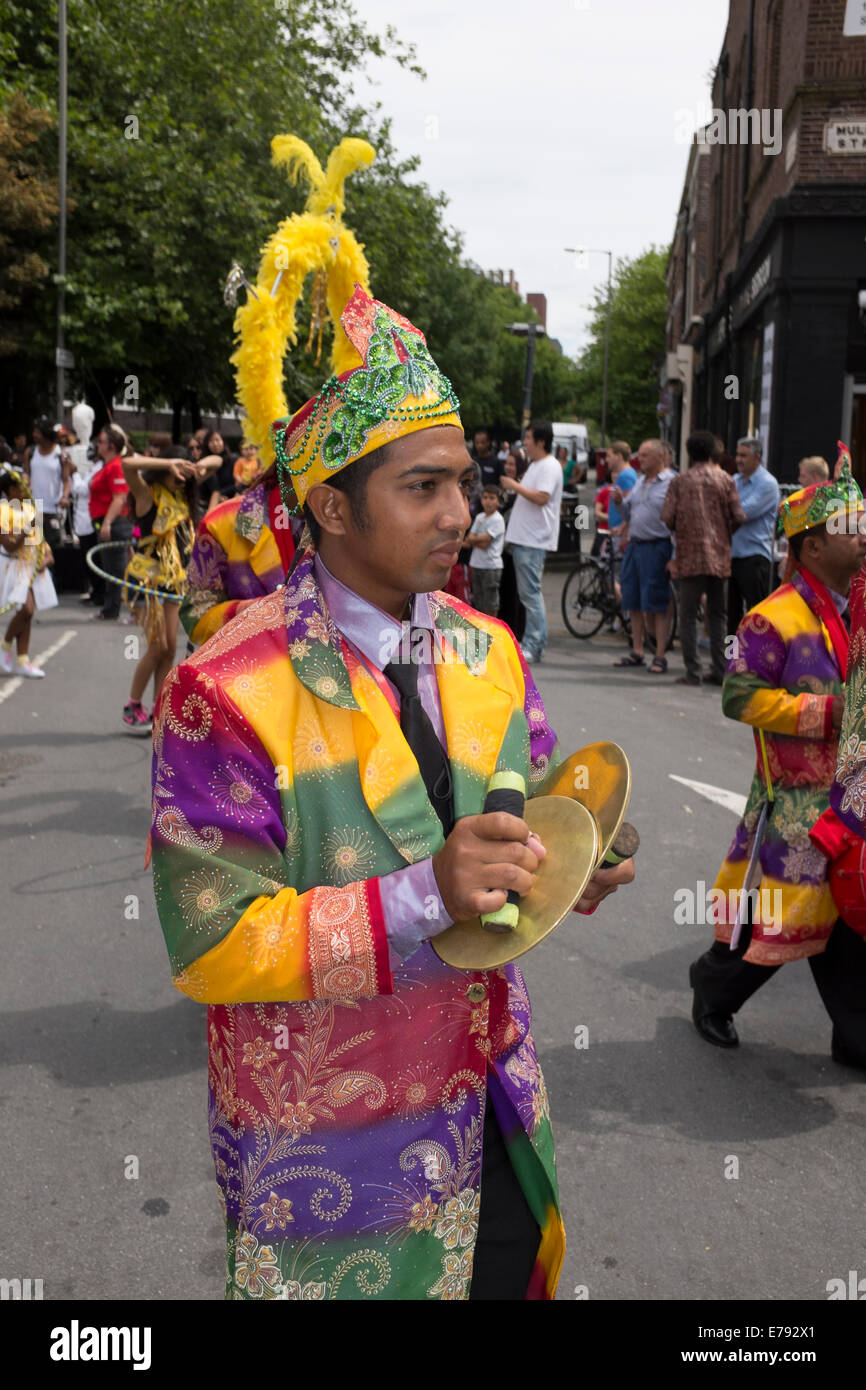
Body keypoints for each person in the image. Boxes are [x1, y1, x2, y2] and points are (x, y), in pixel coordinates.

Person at [149, 286, 634, 1302]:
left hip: (493, 1103)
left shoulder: (486, 646)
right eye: (424, 487)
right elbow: (211, 942)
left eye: (466, 482)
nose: (463, 514)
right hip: (332, 1152)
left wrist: (573, 859)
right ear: (331, 504)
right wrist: (425, 892)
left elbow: (526, 808)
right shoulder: (223, 690)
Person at [689, 462, 866, 1057]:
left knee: (851, 917)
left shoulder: (854, 610)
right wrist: (826, 713)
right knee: (780, 918)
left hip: (854, 795)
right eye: (851, 526)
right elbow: (738, 696)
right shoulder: (772, 617)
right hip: (798, 802)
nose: (863, 534)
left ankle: (857, 1035)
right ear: (813, 545)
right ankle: (713, 991)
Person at [119, 447, 220, 731]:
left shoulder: (181, 497)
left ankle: (157, 709)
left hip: (173, 580)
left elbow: (218, 461)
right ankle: (132, 704)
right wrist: (170, 462)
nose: (182, 480)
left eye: (185, 477)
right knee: (157, 646)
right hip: (146, 579)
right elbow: (128, 464)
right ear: (164, 472)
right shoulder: (146, 494)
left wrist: (193, 467)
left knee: (170, 648)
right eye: (176, 475)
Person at [180, 463, 301, 646]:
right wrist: (259, 612)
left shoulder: (350, 521)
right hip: (249, 666)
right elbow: (197, 617)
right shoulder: (222, 522)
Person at [660, 430, 746, 686]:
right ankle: (720, 670)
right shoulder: (726, 480)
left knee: (688, 616)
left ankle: (693, 671)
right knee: (719, 615)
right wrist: (724, 532)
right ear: (712, 452)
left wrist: (683, 528)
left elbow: (666, 517)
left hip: (689, 558)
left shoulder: (679, 481)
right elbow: (739, 516)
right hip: (719, 557)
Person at [501, 420, 563, 663]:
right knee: (528, 594)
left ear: (541, 441)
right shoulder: (539, 464)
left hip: (533, 540)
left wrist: (514, 485)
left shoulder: (549, 466)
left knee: (531, 594)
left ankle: (535, 645)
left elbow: (542, 497)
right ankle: (532, 641)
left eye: (528, 438)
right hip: (525, 539)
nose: (525, 443)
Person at [611, 439, 675, 674]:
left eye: (646, 455)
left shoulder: (671, 482)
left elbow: (678, 521)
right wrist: (619, 502)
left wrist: (674, 554)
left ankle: (660, 655)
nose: (641, 459)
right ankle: (637, 650)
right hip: (635, 545)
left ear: (660, 457)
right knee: (632, 598)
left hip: (657, 546)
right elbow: (628, 511)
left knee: (657, 602)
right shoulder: (640, 482)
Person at [0, 465, 57, 678]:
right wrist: (26, 528)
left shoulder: (33, 509)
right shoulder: (4, 510)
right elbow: (8, 545)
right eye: (24, 483)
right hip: (13, 565)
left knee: (27, 614)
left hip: (32, 565)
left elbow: (39, 540)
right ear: (12, 489)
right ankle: (5, 645)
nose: (29, 487)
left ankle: (23, 659)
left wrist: (48, 556)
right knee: (27, 610)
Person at [728, 436, 780, 635]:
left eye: (743, 455)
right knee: (731, 615)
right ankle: (730, 658)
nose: (738, 459)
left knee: (756, 614)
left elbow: (744, 513)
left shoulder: (767, 483)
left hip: (754, 557)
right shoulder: (734, 481)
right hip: (733, 555)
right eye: (737, 455)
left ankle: (757, 660)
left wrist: (728, 510)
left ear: (757, 457)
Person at [88, 424, 134, 621]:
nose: (98, 444)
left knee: (116, 569)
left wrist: (107, 523)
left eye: (101, 441)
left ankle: (113, 609)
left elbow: (119, 497)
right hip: (107, 521)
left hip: (115, 523)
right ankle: (114, 608)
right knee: (113, 567)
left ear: (111, 446)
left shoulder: (115, 466)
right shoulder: (108, 465)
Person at [24, 419, 71, 559]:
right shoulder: (30, 452)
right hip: (34, 508)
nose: (34, 435)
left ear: (46, 435)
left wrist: (64, 496)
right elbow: (26, 472)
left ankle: (51, 580)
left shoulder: (62, 454)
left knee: (53, 551)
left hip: (53, 509)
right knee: (33, 549)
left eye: (37, 432)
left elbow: (66, 481)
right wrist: (26, 481)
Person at [464, 483, 505, 616]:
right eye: (485, 497)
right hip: (476, 564)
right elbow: (471, 537)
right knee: (478, 602)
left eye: (492, 498)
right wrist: (476, 540)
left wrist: (474, 539)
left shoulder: (498, 520)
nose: (488, 501)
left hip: (491, 567)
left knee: (491, 604)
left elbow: (486, 542)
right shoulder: (479, 517)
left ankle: (493, 634)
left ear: (498, 502)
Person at [198, 429, 237, 510]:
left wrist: (222, 494)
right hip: (207, 505)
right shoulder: (204, 462)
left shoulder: (233, 460)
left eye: (217, 440)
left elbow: (237, 483)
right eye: (211, 441)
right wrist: (216, 498)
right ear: (206, 444)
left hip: (230, 502)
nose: (215, 444)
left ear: (223, 442)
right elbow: (202, 486)